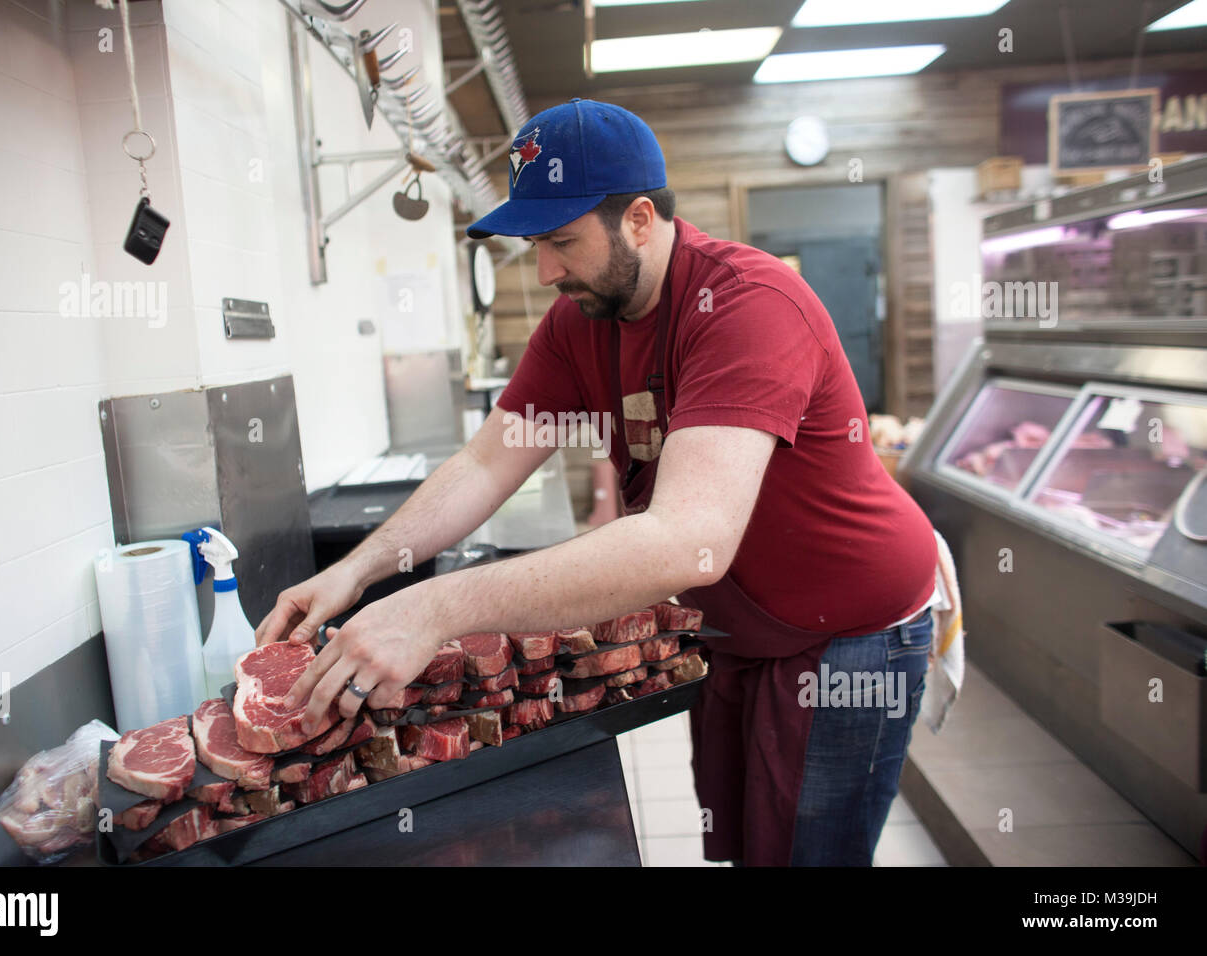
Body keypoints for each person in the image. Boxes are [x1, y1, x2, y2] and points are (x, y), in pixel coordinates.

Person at [256, 99, 938, 866]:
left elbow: (689, 541)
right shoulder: (581, 320)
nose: (546, 271)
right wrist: (358, 570)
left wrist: (432, 609)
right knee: (749, 845)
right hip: (741, 634)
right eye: (535, 244)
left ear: (640, 219)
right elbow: (488, 462)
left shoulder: (747, 307)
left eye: (562, 241)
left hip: (851, 632)